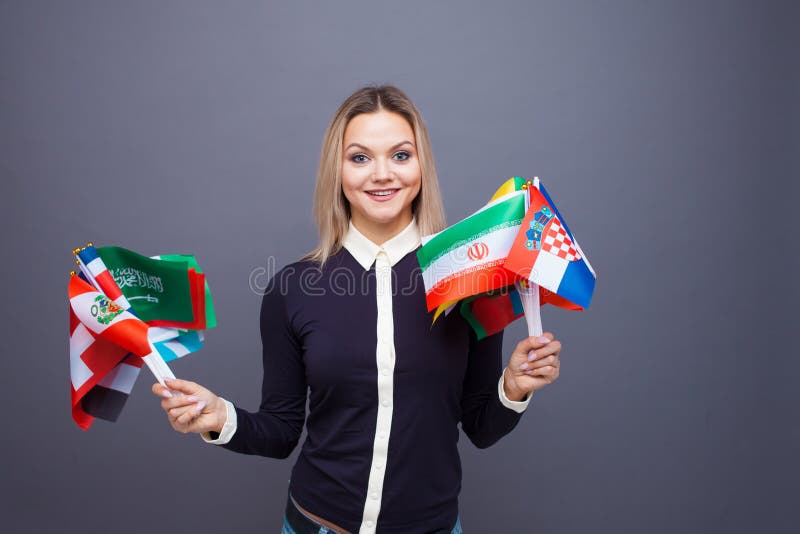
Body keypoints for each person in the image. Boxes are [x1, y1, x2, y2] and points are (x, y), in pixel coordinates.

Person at [152, 85, 562, 534]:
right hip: (316, 524)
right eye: (360, 157)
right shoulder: (292, 288)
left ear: (422, 166)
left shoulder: (471, 280)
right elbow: (281, 431)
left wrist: (514, 387)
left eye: (401, 155)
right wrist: (220, 417)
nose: (382, 174)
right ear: (338, 170)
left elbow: (482, 427)